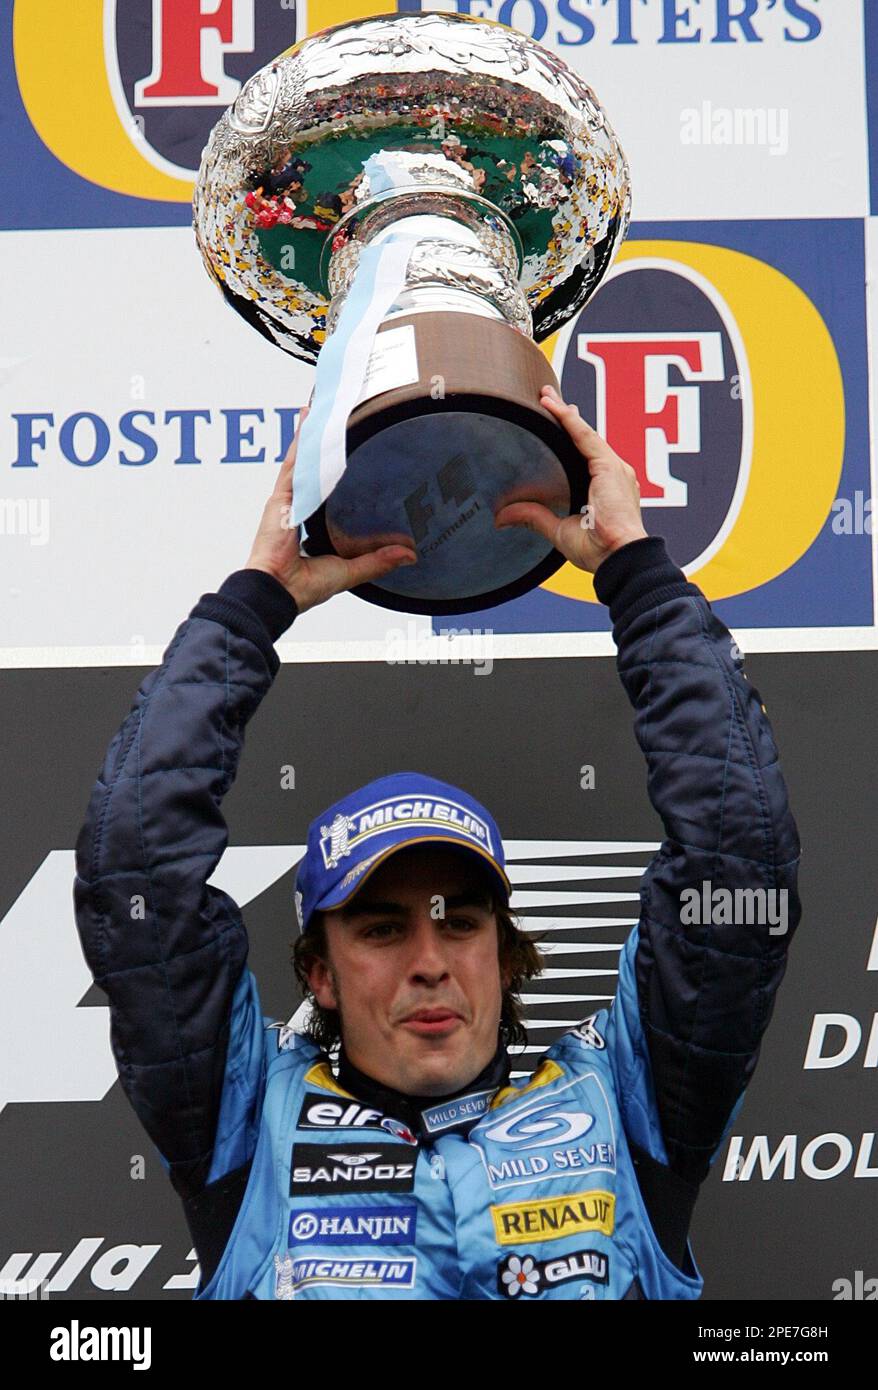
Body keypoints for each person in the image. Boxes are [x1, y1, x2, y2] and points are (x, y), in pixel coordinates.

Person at [73, 385, 802, 1300]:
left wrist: (637, 573)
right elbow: (135, 877)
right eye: (380, 929)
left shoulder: (627, 1102)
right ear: (321, 975)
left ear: (506, 953)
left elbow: (738, 861)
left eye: (459, 924)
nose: (429, 962)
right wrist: (253, 605)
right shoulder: (247, 1121)